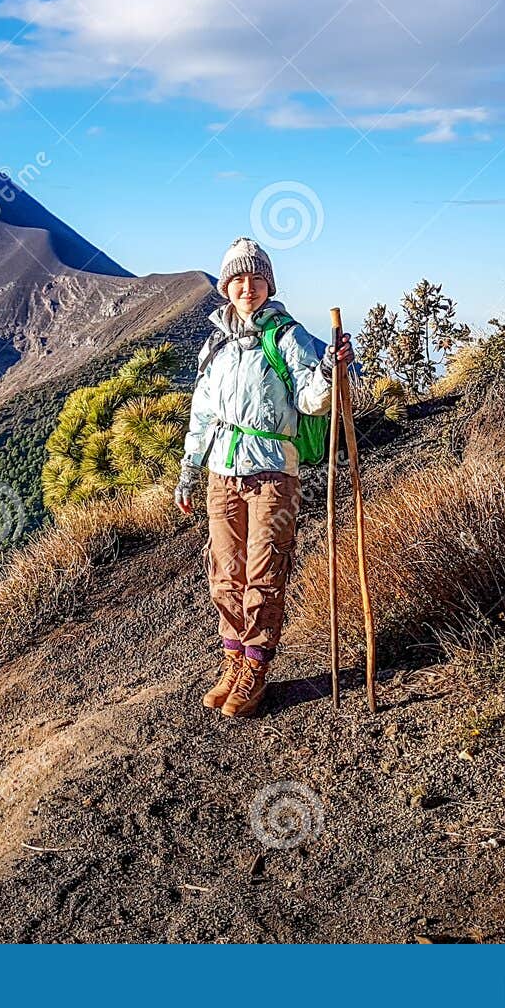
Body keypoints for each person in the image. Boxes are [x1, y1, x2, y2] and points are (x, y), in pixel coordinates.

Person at [174, 237, 353, 718]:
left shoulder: (286, 335)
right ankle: (233, 660)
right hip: (220, 473)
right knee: (224, 575)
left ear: (268, 284)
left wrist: (330, 373)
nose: (246, 287)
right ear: (225, 286)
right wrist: (190, 471)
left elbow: (311, 400)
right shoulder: (215, 343)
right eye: (237, 279)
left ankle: (255, 667)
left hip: (274, 471)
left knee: (263, 573)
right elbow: (203, 413)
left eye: (255, 278)